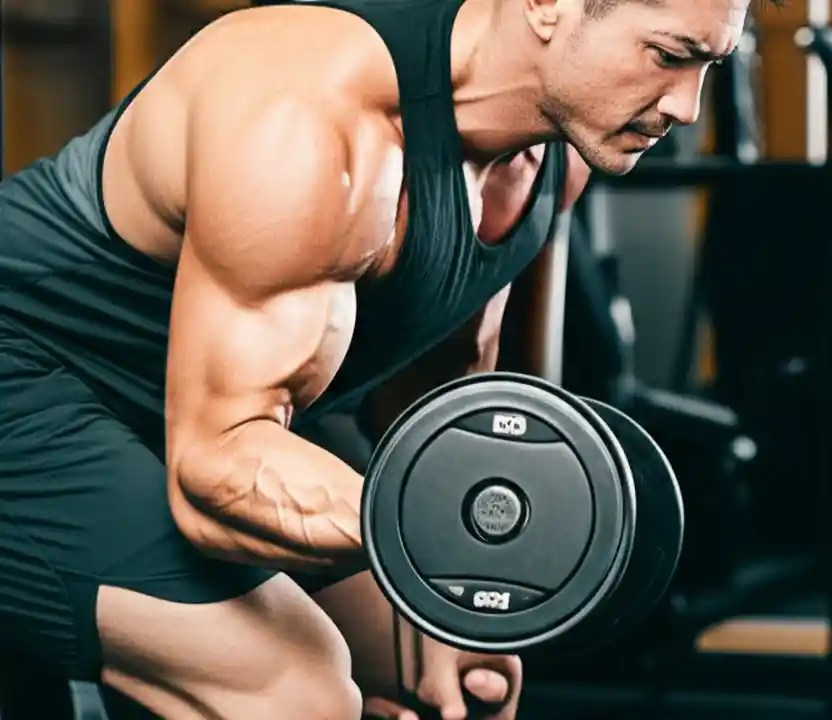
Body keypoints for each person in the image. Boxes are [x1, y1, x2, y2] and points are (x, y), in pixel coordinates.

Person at [0, 0, 750, 716]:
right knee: (294, 690)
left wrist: (451, 602)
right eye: (669, 56)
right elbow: (216, 468)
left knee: (458, 682)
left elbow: (448, 388)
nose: (687, 107)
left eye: (709, 66)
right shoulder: (308, 115)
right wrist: (446, 544)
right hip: (31, 381)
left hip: (215, 408)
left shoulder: (553, 157)